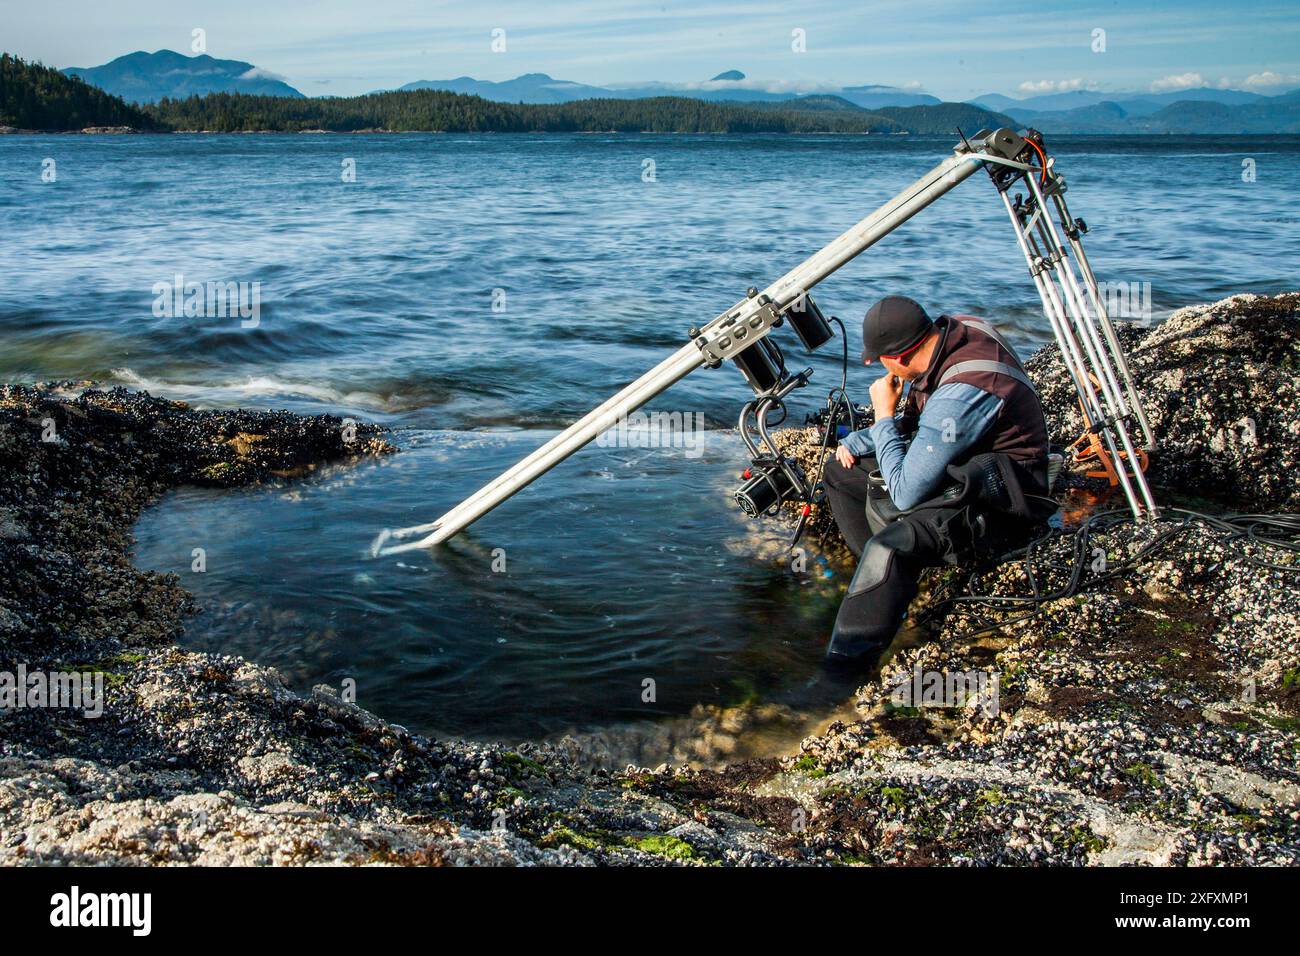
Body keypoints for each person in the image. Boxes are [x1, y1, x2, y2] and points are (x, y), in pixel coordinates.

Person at [821, 295, 1056, 668]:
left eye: (877, 360)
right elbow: (918, 426)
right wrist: (857, 439)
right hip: (962, 463)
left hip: (1001, 497)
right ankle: (881, 589)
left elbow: (904, 494)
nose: (876, 367)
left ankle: (844, 669)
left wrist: (883, 414)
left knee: (891, 546)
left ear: (898, 359)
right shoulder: (951, 333)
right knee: (840, 471)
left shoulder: (961, 394)